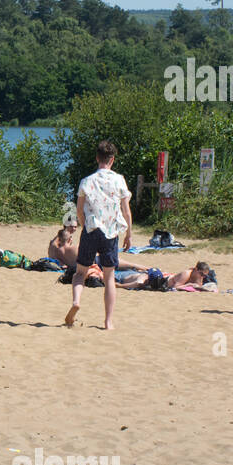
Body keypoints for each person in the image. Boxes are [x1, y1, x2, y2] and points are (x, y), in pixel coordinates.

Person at [65, 140, 132, 330]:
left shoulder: (86, 181)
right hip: (111, 232)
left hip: (91, 229)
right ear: (112, 159)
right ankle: (108, 321)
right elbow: (126, 210)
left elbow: (79, 210)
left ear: (97, 158)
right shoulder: (119, 180)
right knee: (109, 277)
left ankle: (76, 301)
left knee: (80, 273)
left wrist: (84, 223)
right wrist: (129, 233)